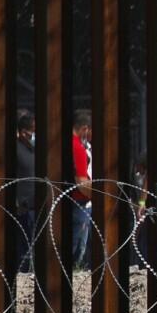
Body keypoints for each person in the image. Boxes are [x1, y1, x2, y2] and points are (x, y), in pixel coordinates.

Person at [11, 111, 37, 276]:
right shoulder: (15, 149)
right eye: (32, 130)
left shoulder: (33, 150)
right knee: (23, 247)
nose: (33, 134)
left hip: (36, 204)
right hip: (22, 206)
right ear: (23, 131)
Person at [70, 114, 94, 268]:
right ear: (84, 128)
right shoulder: (77, 147)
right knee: (78, 246)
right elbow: (81, 181)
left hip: (70, 199)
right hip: (80, 201)